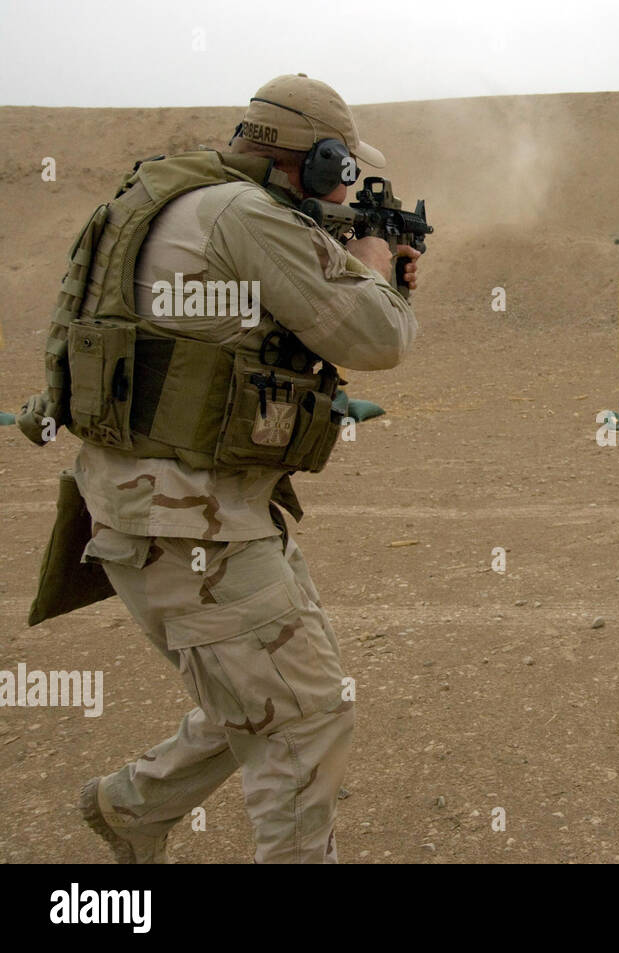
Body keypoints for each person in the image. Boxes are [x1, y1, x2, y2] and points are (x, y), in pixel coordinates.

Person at [19, 73, 420, 863]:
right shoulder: (246, 215)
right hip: (190, 524)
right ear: (313, 161)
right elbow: (379, 338)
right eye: (336, 171)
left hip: (163, 514)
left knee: (256, 695)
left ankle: (130, 807)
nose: (341, 188)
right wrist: (374, 264)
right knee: (302, 720)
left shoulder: (183, 197)